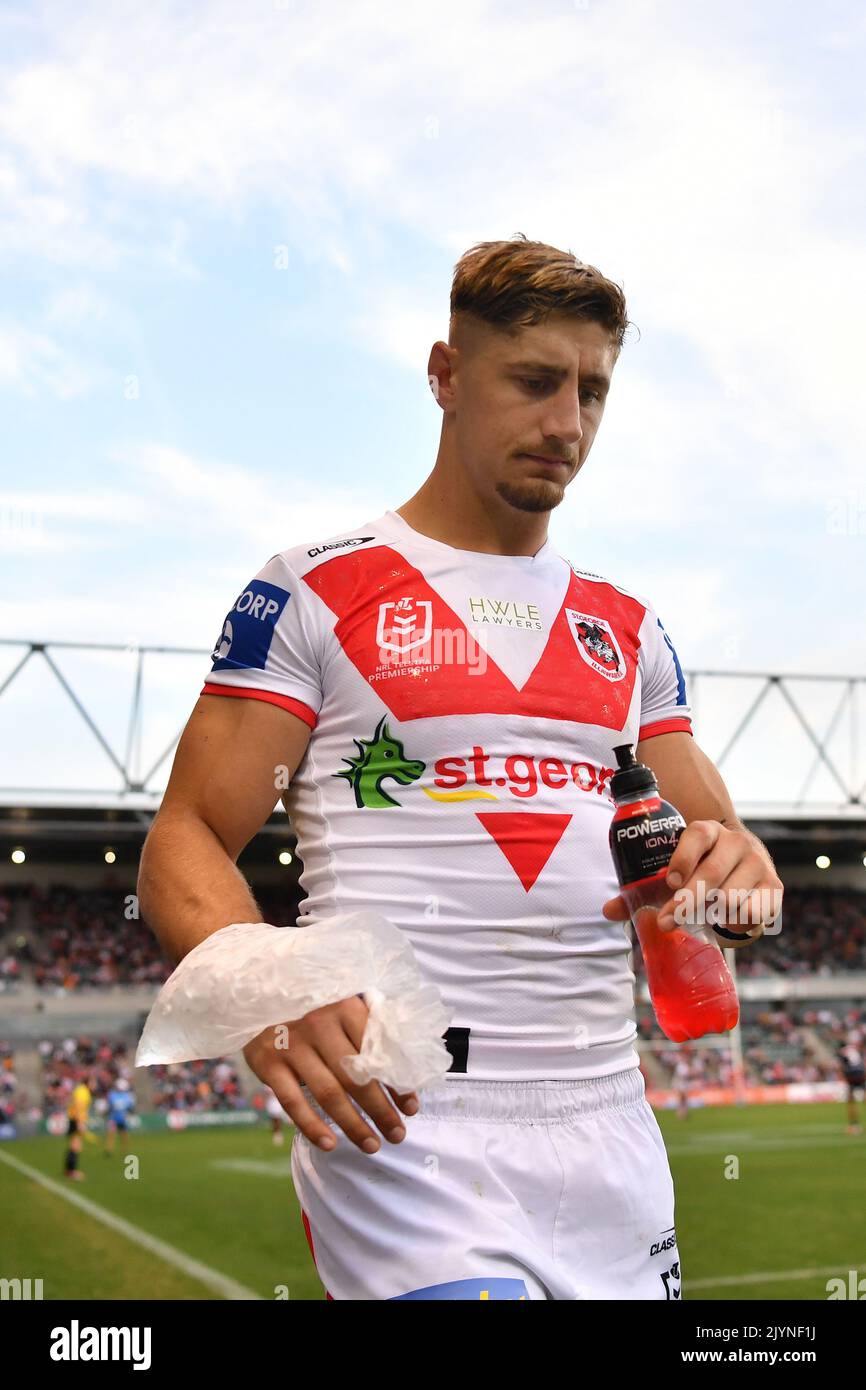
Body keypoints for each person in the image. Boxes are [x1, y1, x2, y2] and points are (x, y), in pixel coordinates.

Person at [138, 235, 783, 1300]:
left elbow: (728, 885)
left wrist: (738, 879)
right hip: (409, 1129)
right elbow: (186, 835)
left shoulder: (626, 630)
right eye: (533, 381)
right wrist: (266, 983)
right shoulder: (314, 590)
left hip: (610, 1129)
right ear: (444, 375)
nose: (567, 424)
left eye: (591, 392)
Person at [63, 1073, 92, 1181]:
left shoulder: (80, 1090)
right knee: (76, 1146)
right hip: (76, 1120)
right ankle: (72, 1171)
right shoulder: (83, 1092)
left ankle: (68, 1170)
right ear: (88, 1082)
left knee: (73, 1145)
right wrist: (80, 1122)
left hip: (73, 1119)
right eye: (92, 1081)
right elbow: (79, 1107)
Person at [838, 1038, 864, 1135]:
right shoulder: (855, 1048)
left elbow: (841, 1066)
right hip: (861, 1074)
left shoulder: (842, 1051)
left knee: (851, 1101)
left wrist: (843, 1077)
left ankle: (854, 1126)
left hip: (851, 1075)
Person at [104, 1076, 135, 1156]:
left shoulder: (127, 1096)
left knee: (124, 1135)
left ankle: (124, 1150)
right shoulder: (113, 1095)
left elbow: (130, 1108)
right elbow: (110, 1107)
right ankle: (109, 1149)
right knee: (111, 1134)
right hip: (113, 1118)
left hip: (122, 1118)